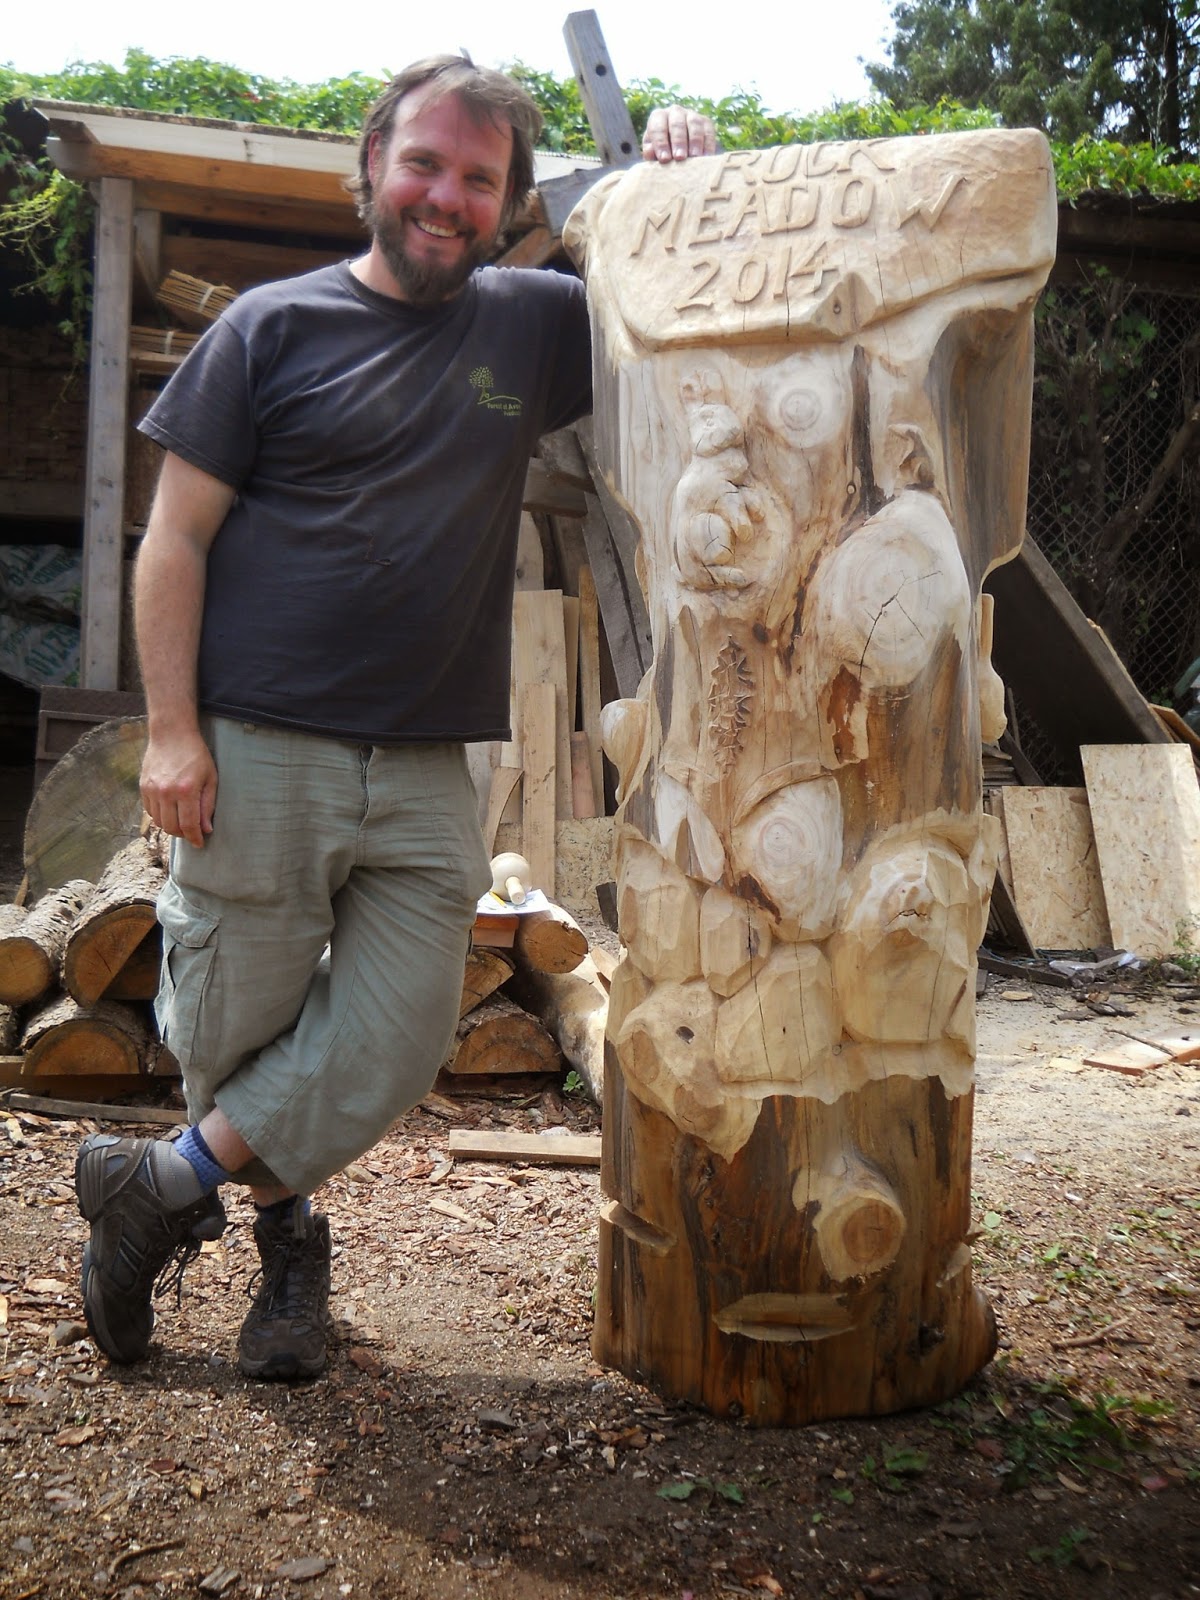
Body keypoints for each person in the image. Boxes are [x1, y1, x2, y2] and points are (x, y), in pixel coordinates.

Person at [73, 54, 716, 1380]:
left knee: (404, 1028)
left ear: (505, 204)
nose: (447, 196)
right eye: (424, 164)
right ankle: (286, 1247)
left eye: (480, 180)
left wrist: (671, 182)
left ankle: (158, 1187)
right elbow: (173, 540)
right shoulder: (269, 329)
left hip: (429, 759)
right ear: (372, 170)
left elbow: (669, 302)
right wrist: (174, 732)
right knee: (228, 1026)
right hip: (256, 748)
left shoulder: (533, 330)